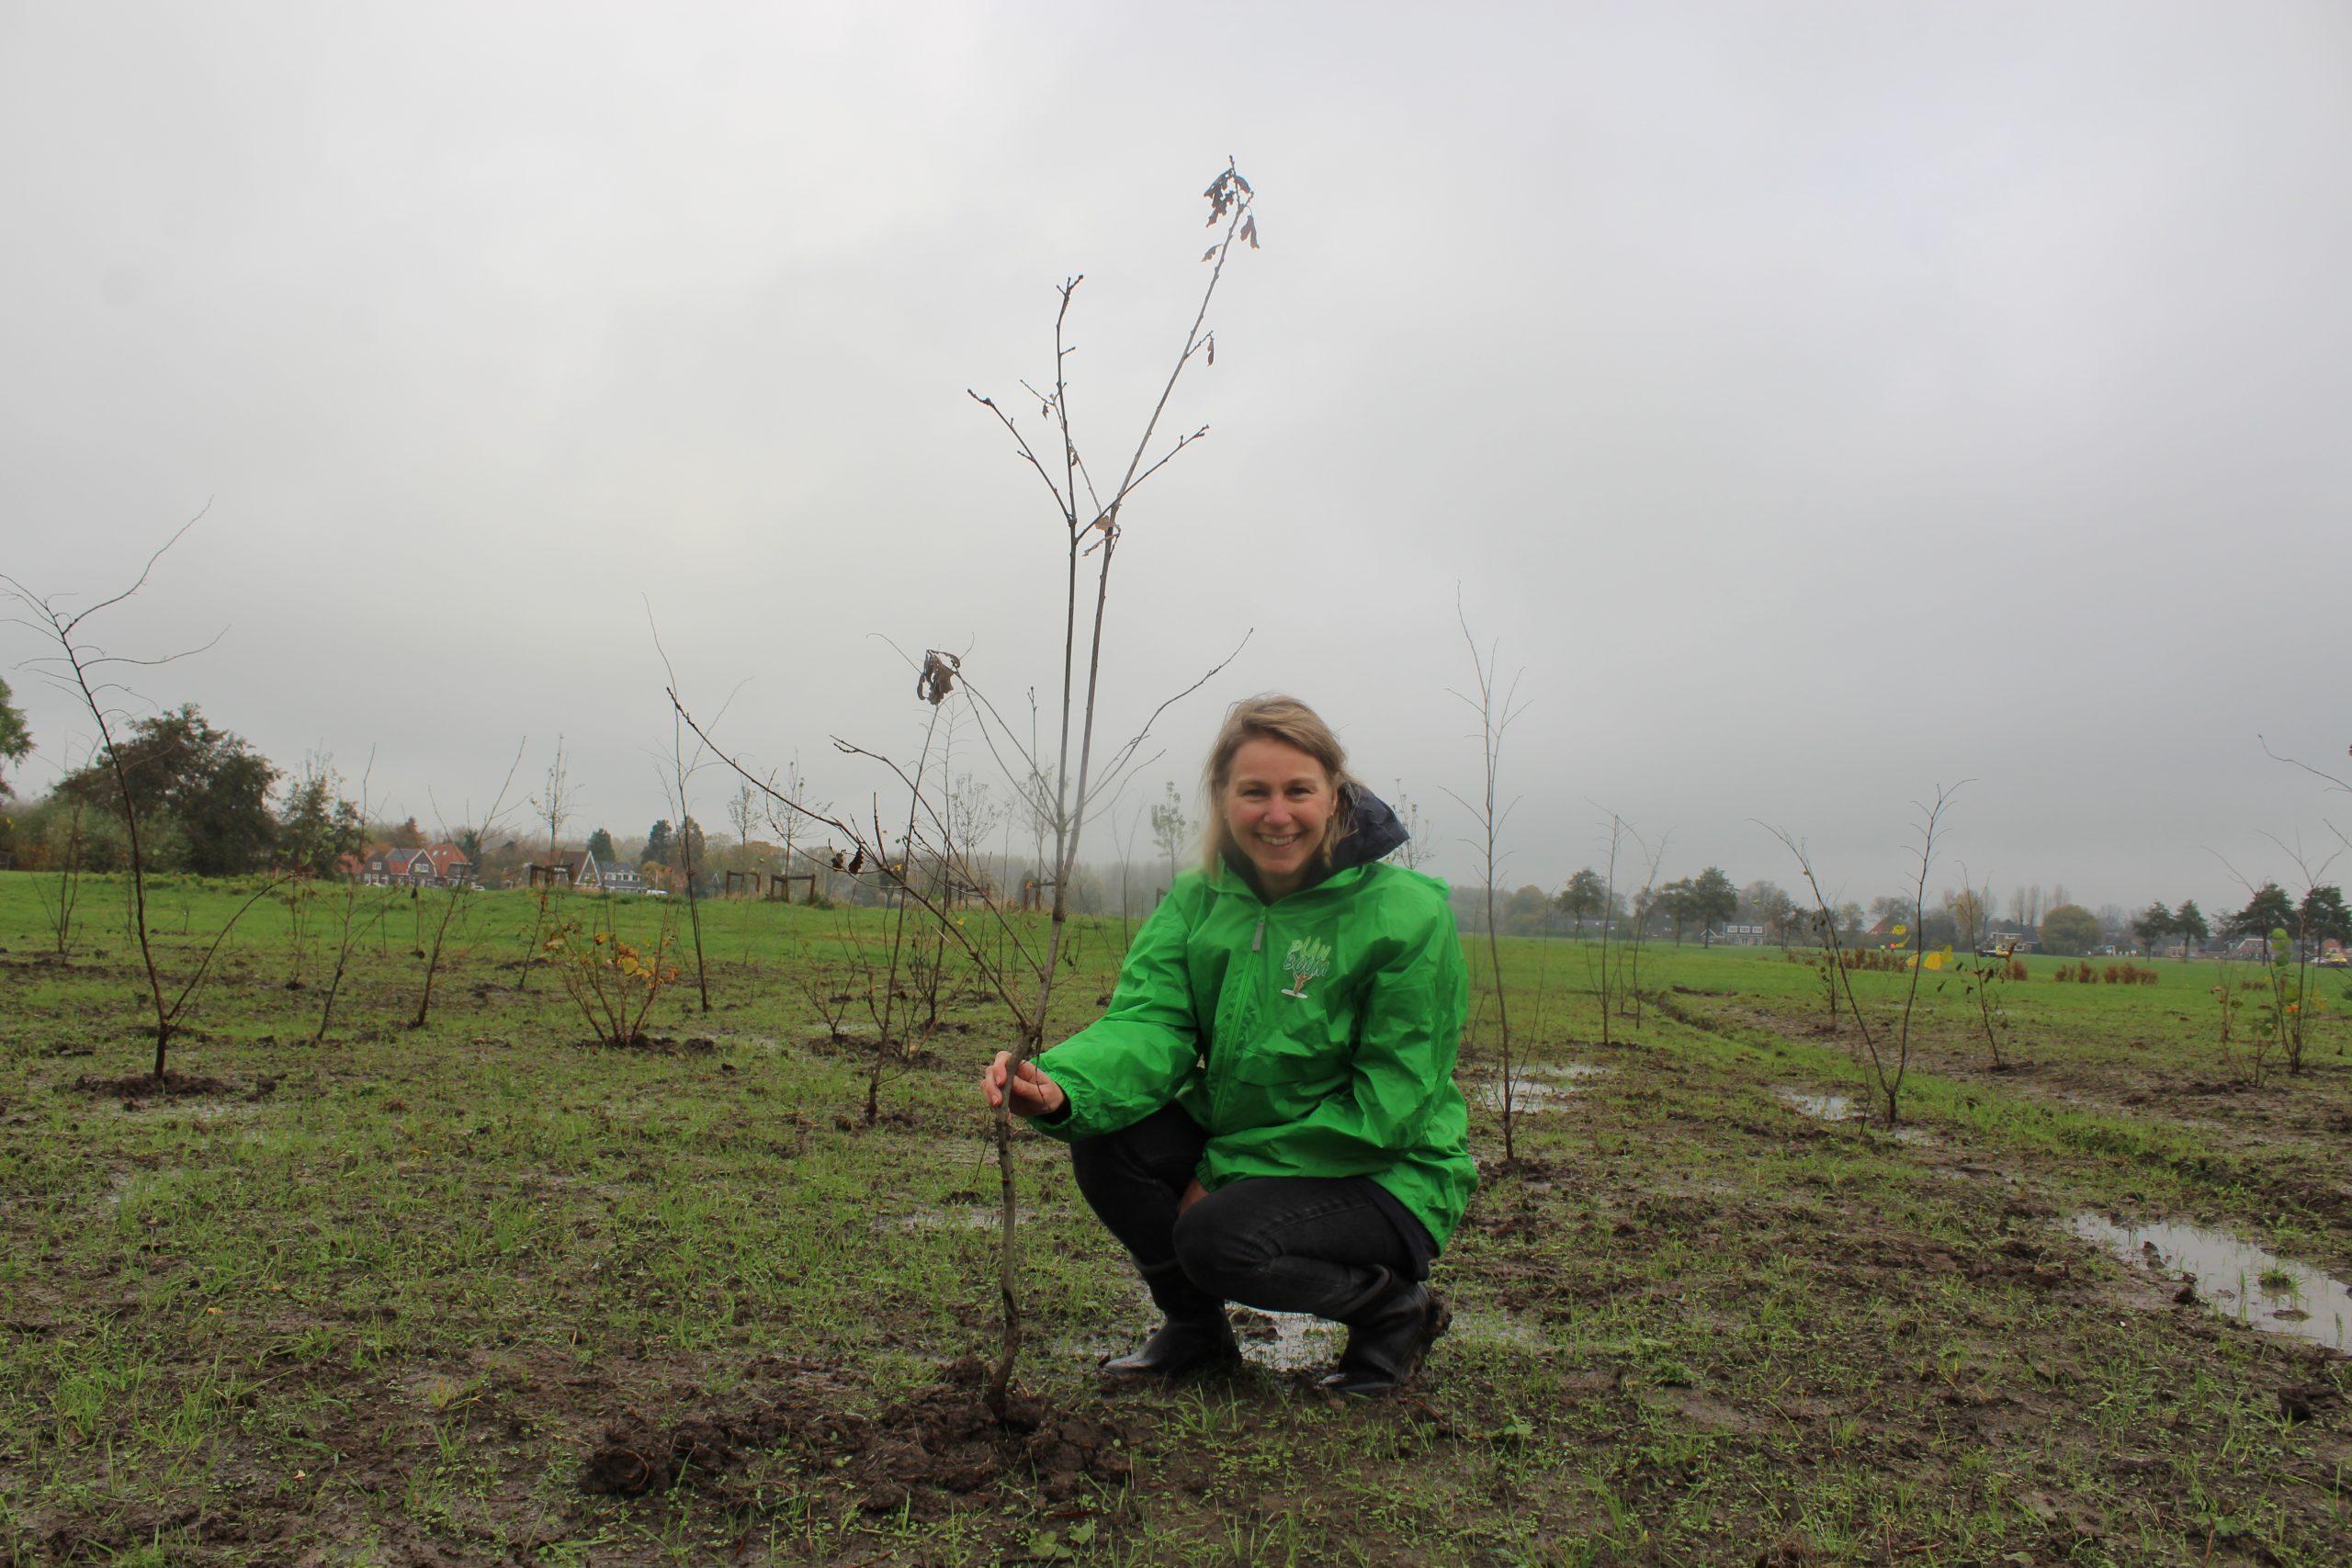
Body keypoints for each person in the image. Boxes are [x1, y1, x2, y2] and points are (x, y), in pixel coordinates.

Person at [981, 694, 1473, 1394]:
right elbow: (1151, 1024)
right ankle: (1196, 1332)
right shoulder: (1198, 900)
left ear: (1335, 793)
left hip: (1387, 1174)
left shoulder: (1408, 915)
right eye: (1255, 792)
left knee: (1215, 1237)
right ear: (1222, 797)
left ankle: (1394, 1311)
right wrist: (1065, 1085)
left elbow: (1389, 1107)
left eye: (1298, 790)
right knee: (1108, 1137)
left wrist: (1225, 1167)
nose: (1278, 814)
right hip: (1255, 1150)